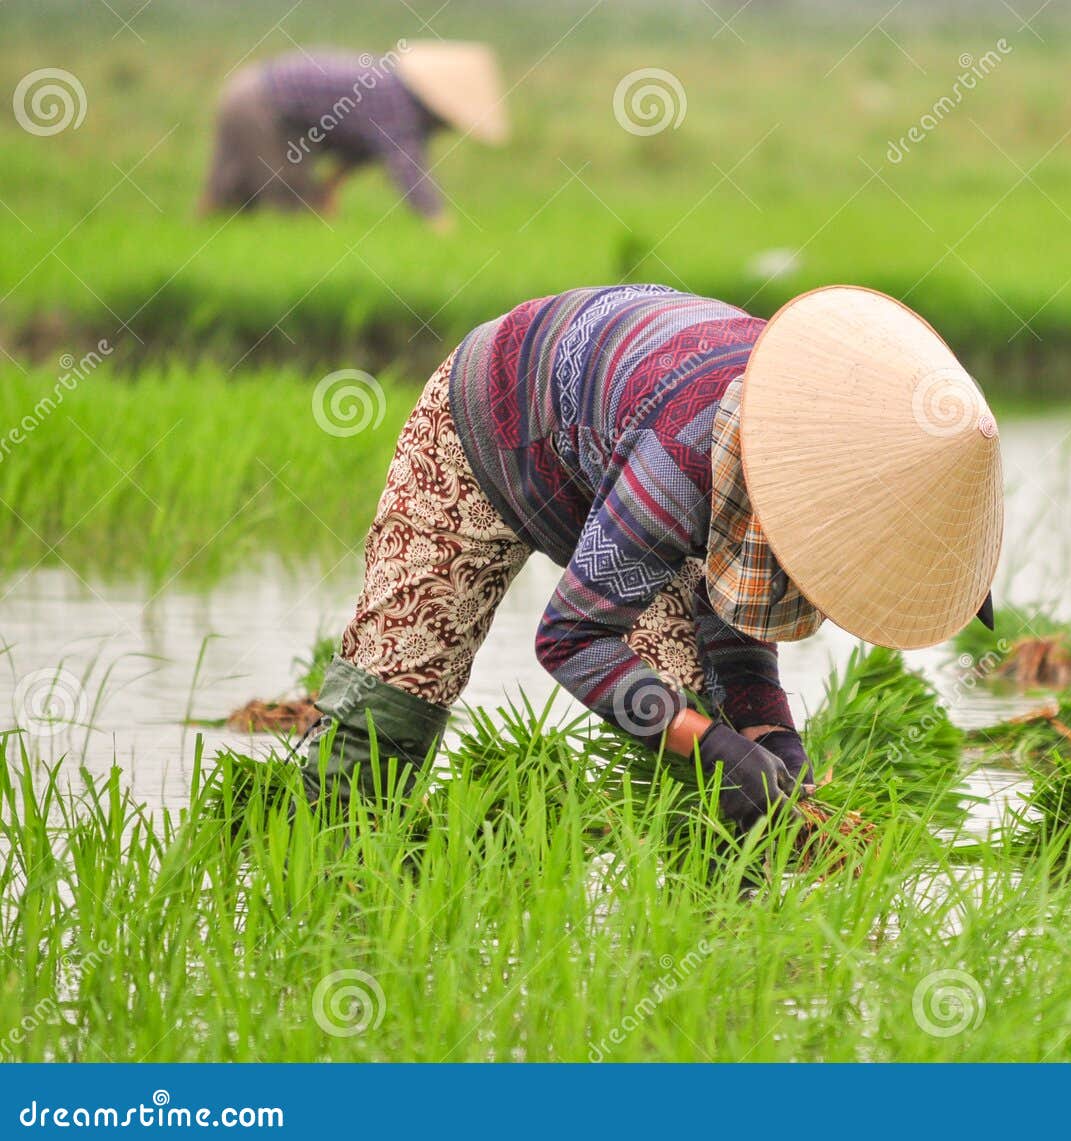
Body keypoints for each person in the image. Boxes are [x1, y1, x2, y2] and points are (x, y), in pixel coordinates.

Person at [305, 284, 1004, 833]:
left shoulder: (815, 455)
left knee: (704, 717)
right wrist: (712, 749)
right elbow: (572, 638)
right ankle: (322, 874)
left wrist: (770, 737)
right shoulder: (689, 455)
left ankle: (721, 942)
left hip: (620, 437)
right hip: (484, 421)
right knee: (388, 706)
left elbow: (732, 604)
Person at [198, 41, 507, 228]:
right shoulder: (397, 98)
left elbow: (357, 149)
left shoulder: (393, 91)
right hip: (261, 106)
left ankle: (200, 248)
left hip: (248, 93)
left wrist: (330, 185)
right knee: (292, 208)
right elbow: (406, 167)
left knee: (230, 203)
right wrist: (438, 222)